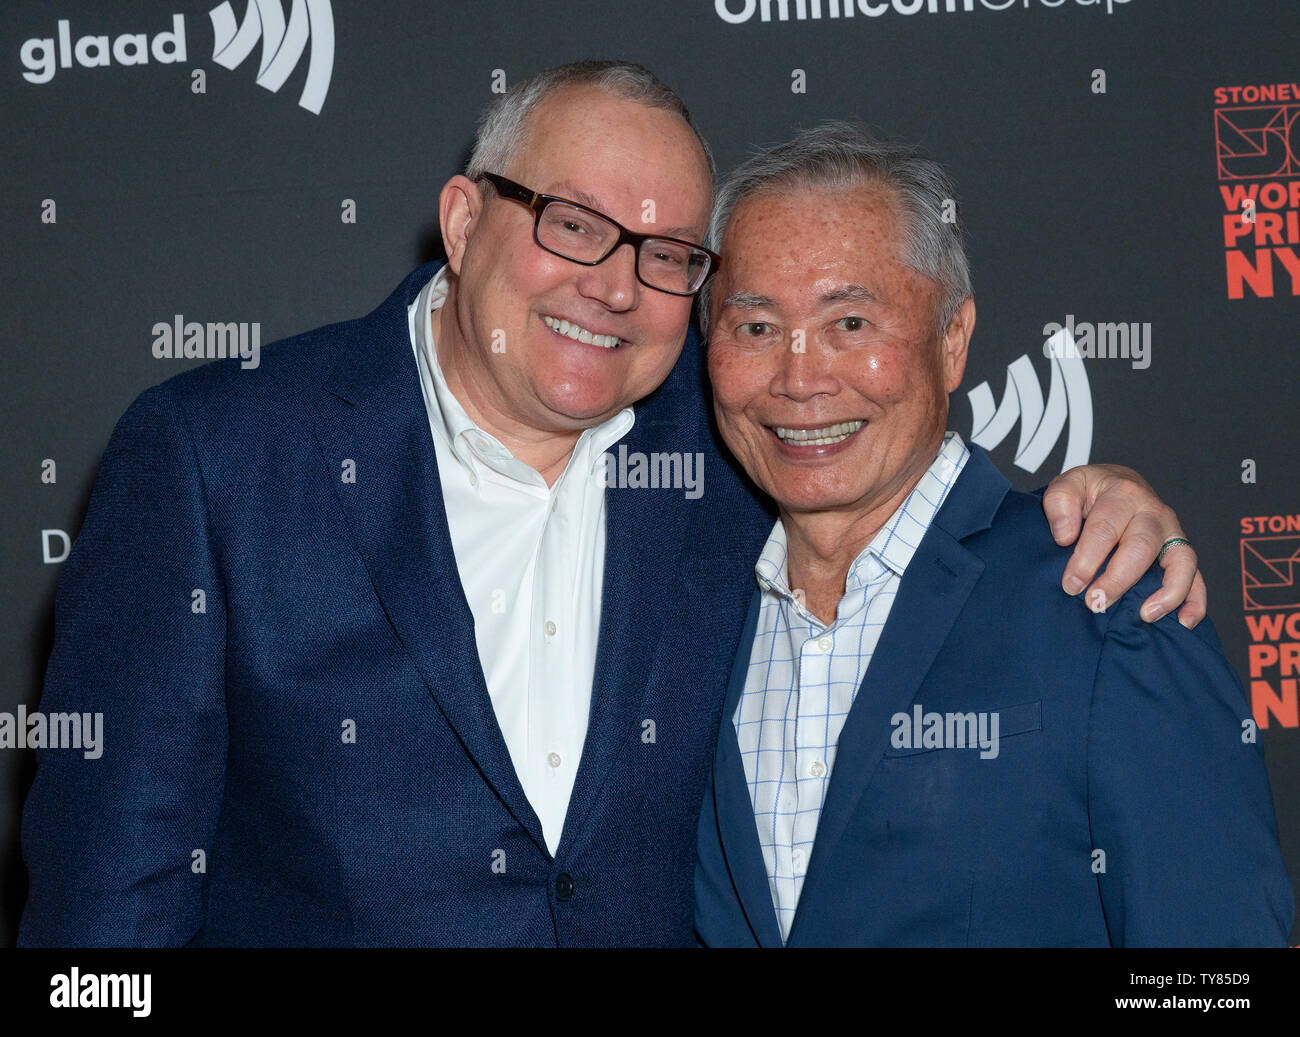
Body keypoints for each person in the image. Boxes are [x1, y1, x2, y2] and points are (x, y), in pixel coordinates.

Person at [21, 62, 1203, 948]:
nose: (615, 282)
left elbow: (893, 451)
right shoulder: (216, 452)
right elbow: (100, 911)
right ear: (465, 217)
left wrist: (1103, 500)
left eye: (668, 251)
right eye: (574, 222)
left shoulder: (740, 448)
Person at [693, 123, 1293, 947]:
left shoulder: (1104, 594)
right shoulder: (694, 617)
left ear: (952, 339)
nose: (800, 377)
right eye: (756, 328)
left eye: (852, 323)